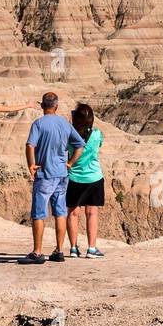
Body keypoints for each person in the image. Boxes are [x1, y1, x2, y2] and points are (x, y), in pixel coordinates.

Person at [23, 92, 83, 264]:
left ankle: (37, 252)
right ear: (56, 106)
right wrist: (70, 163)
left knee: (39, 213)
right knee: (60, 212)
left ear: (42, 106)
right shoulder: (65, 124)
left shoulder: (38, 124)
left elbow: (30, 145)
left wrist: (31, 164)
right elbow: (80, 145)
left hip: (45, 173)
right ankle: (59, 251)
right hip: (62, 174)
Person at [66, 103, 105, 258]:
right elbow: (99, 146)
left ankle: (73, 248)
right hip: (94, 177)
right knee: (92, 213)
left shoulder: (70, 135)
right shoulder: (97, 134)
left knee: (73, 213)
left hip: (74, 177)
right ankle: (91, 248)